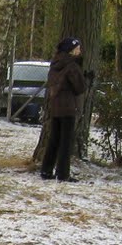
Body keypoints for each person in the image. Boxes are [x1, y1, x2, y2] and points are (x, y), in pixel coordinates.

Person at [39, 36, 89, 181]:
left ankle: (46, 170)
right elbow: (80, 87)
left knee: (54, 139)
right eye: (78, 48)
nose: (80, 51)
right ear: (71, 50)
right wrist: (84, 76)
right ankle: (63, 173)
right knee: (66, 142)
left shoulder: (55, 64)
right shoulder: (72, 65)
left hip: (55, 106)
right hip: (68, 106)